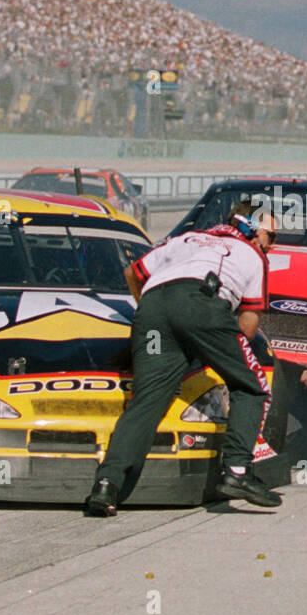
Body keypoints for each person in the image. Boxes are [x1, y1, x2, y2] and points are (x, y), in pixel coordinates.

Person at [85, 203, 281, 516]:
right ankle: (237, 473)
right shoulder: (253, 255)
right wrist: (210, 346)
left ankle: (107, 484)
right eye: (269, 235)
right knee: (252, 387)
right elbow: (248, 324)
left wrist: (162, 319)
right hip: (201, 306)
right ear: (247, 228)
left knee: (147, 400)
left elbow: (132, 273)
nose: (272, 243)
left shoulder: (186, 239)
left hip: (152, 310)